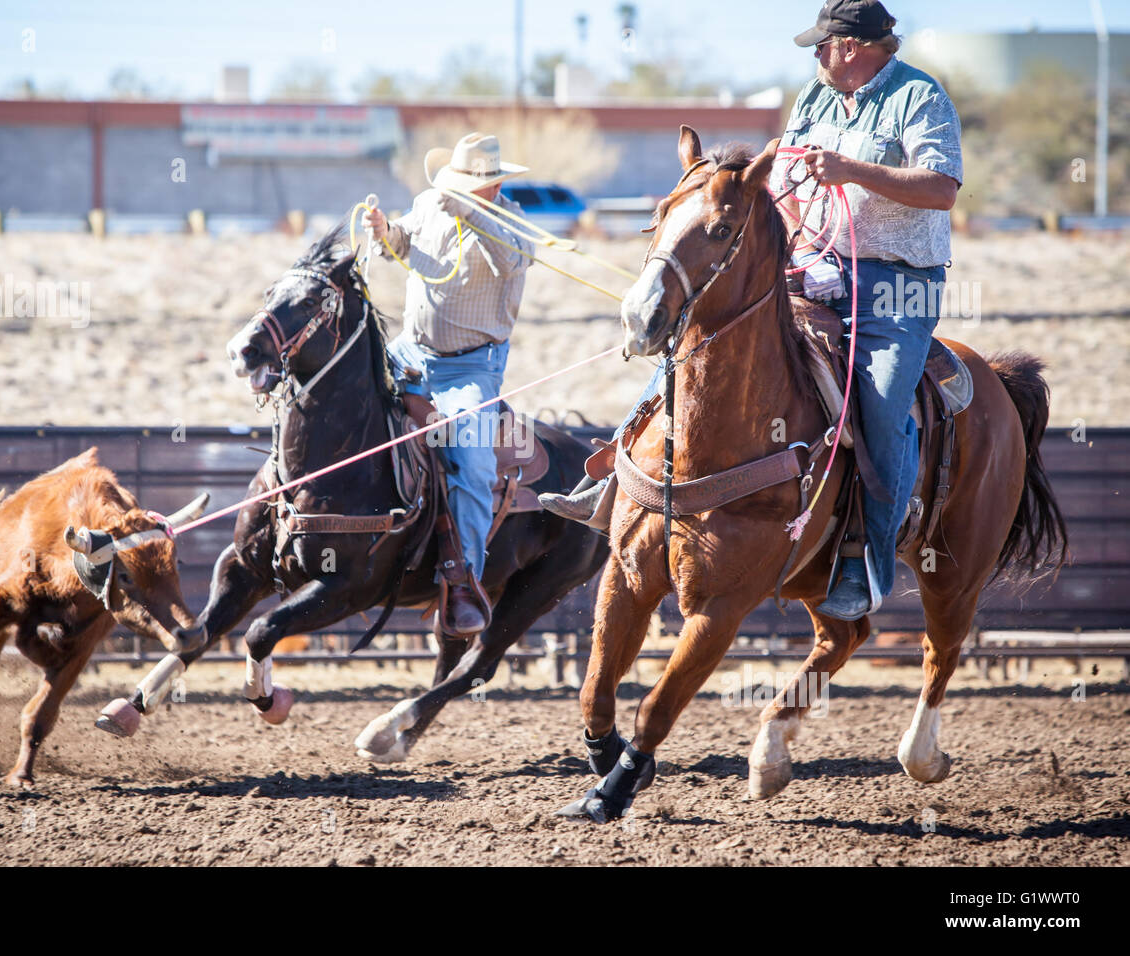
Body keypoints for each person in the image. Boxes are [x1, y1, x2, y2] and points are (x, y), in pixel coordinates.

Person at [539, 0, 963, 622]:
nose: (815, 56)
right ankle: (611, 481)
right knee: (700, 345)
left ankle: (865, 558)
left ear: (850, 46)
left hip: (895, 285)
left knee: (879, 398)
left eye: (822, 45)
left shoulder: (921, 99)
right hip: (811, 264)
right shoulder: (814, 97)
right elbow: (779, 179)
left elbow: (942, 188)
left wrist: (852, 171)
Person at [363, 132, 533, 636]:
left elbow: (512, 259)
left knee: (473, 460)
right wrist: (384, 229)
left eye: (465, 186)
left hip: (472, 368)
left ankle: (465, 582)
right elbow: (402, 244)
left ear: (489, 186)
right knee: (343, 388)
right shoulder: (428, 205)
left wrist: (468, 213)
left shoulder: (512, 222)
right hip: (410, 351)